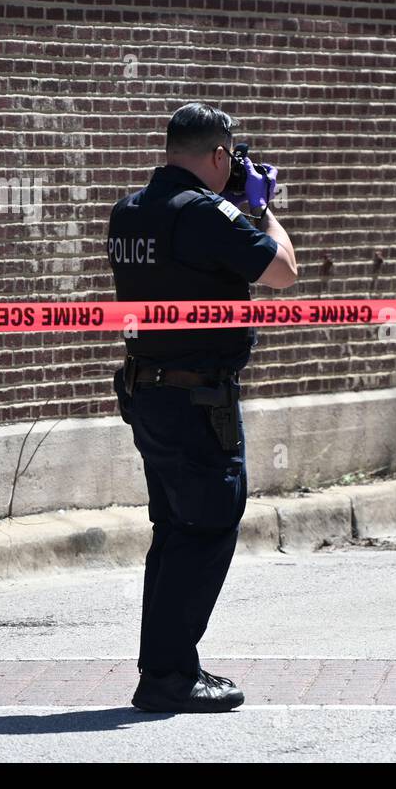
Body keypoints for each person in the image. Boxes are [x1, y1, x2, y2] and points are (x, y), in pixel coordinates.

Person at [107, 102, 298, 712]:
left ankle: (164, 667)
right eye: (230, 159)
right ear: (218, 155)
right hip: (197, 399)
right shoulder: (207, 213)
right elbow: (283, 272)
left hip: (148, 394)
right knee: (210, 523)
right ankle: (168, 675)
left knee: (174, 529)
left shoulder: (129, 210)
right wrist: (261, 206)